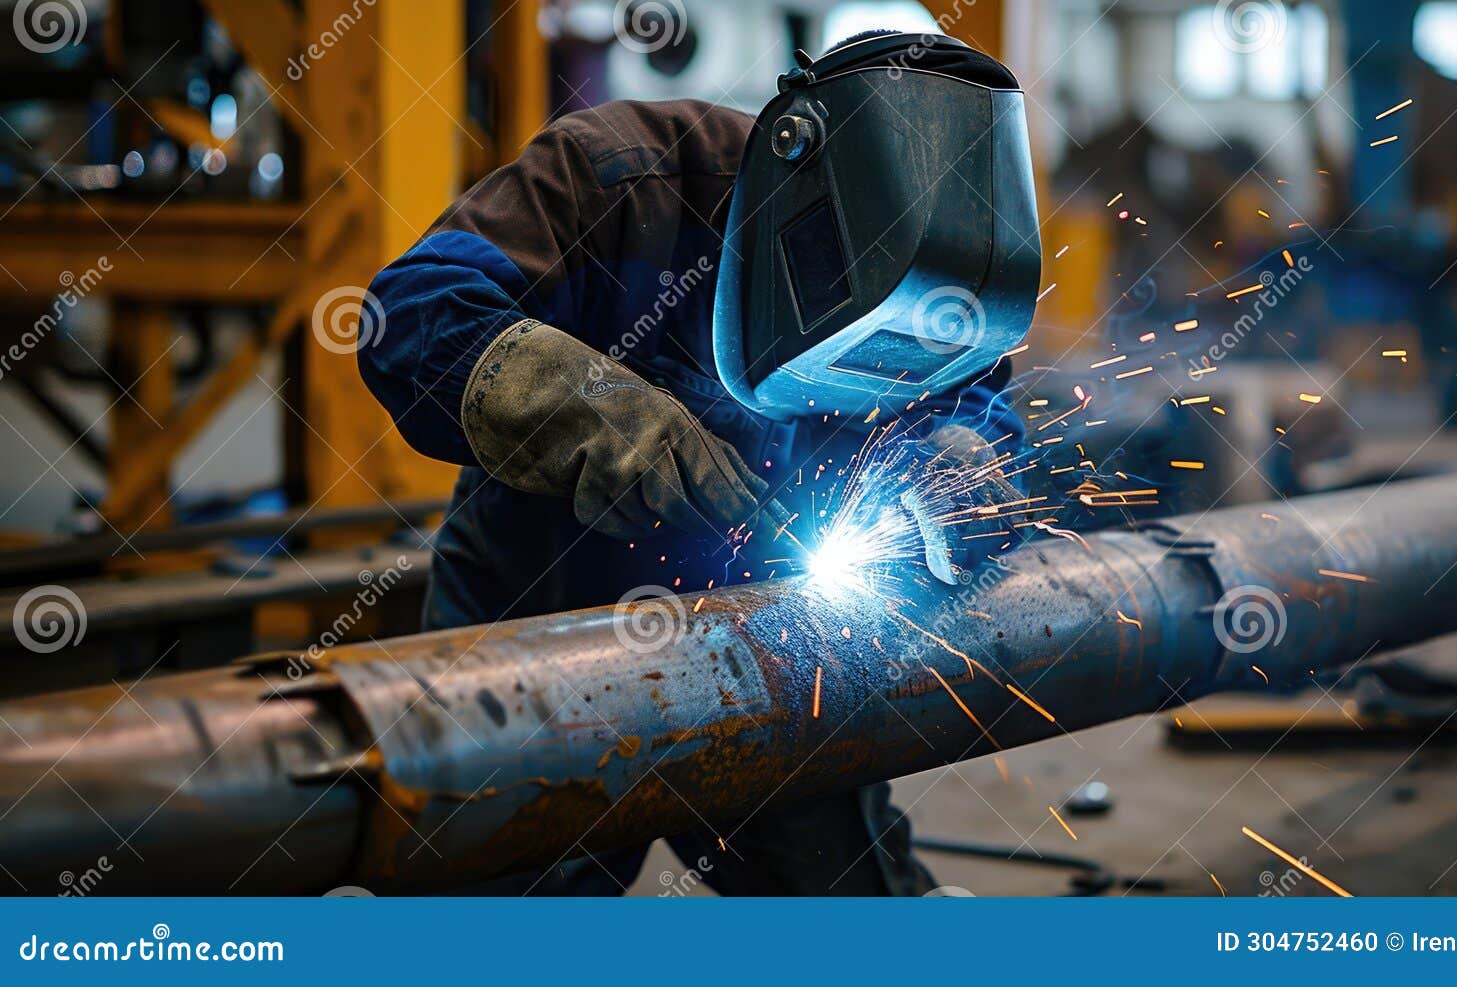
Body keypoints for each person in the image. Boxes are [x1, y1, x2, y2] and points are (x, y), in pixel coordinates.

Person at [358, 30, 1041, 896]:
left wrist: (963, 463)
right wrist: (594, 411)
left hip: (772, 644)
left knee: (848, 904)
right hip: (537, 629)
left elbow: (974, 403)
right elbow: (412, 311)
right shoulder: (618, 176)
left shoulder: (942, 276)